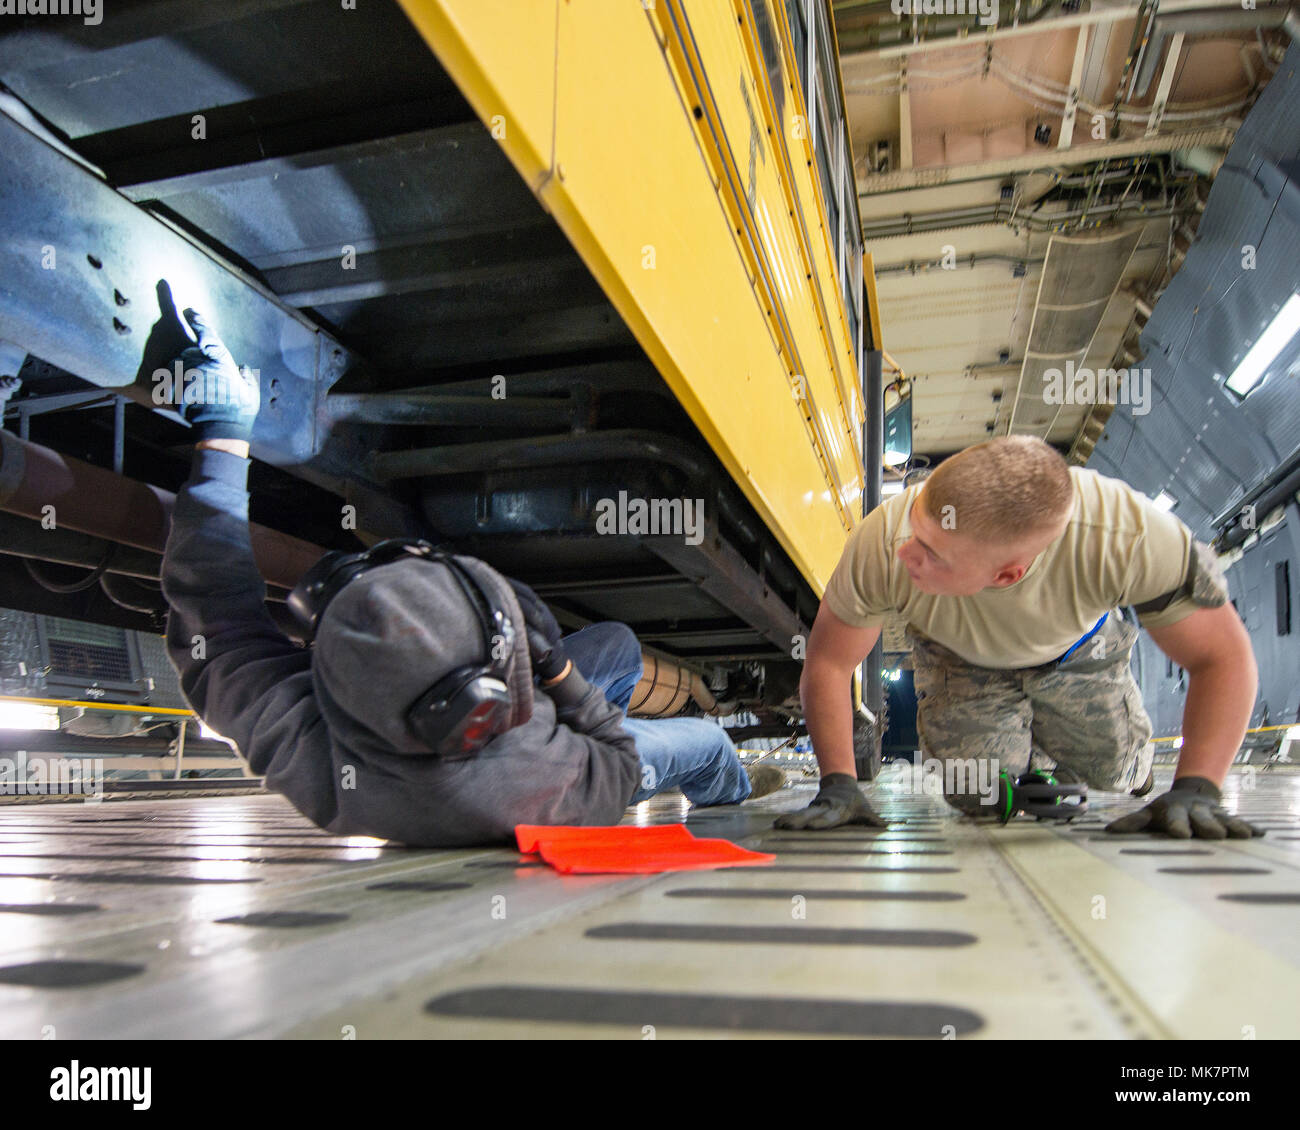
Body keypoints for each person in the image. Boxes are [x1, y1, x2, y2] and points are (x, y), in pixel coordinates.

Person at [158, 309, 783, 848]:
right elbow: (615, 758)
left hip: (529, 726)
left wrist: (222, 436)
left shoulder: (315, 750)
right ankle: (733, 787)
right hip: (581, 753)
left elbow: (218, 623)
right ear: (494, 689)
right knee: (706, 742)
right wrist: (564, 682)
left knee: (615, 643)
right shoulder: (551, 784)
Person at [779, 435, 1264, 840]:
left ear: (1006, 576)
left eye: (932, 553)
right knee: (978, 794)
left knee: (1117, 776)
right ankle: (1027, 763)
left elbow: (1220, 657)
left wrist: (1198, 786)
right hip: (963, 659)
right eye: (915, 530)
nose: (906, 555)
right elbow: (829, 664)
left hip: (1077, 654)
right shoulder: (882, 542)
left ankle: (1077, 757)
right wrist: (838, 784)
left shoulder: (1128, 536)